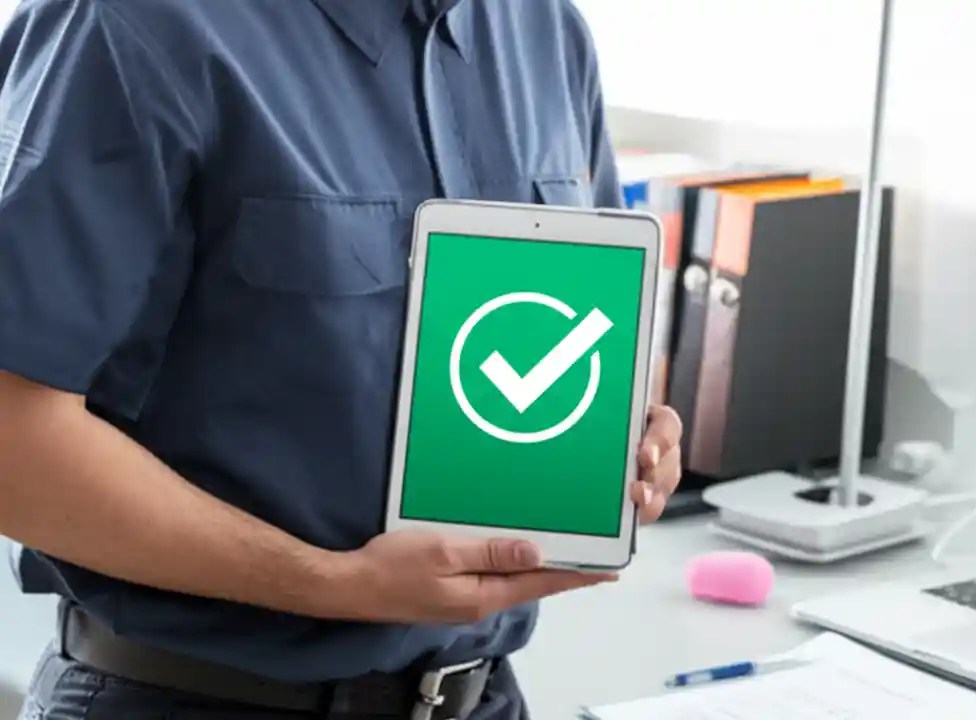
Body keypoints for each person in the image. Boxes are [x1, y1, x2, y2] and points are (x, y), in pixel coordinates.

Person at [0, 0, 684, 718]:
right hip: (188, 699)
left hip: (481, 694)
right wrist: (336, 584)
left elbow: (581, 330)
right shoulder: (127, 23)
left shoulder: (546, 28)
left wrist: (630, 439)